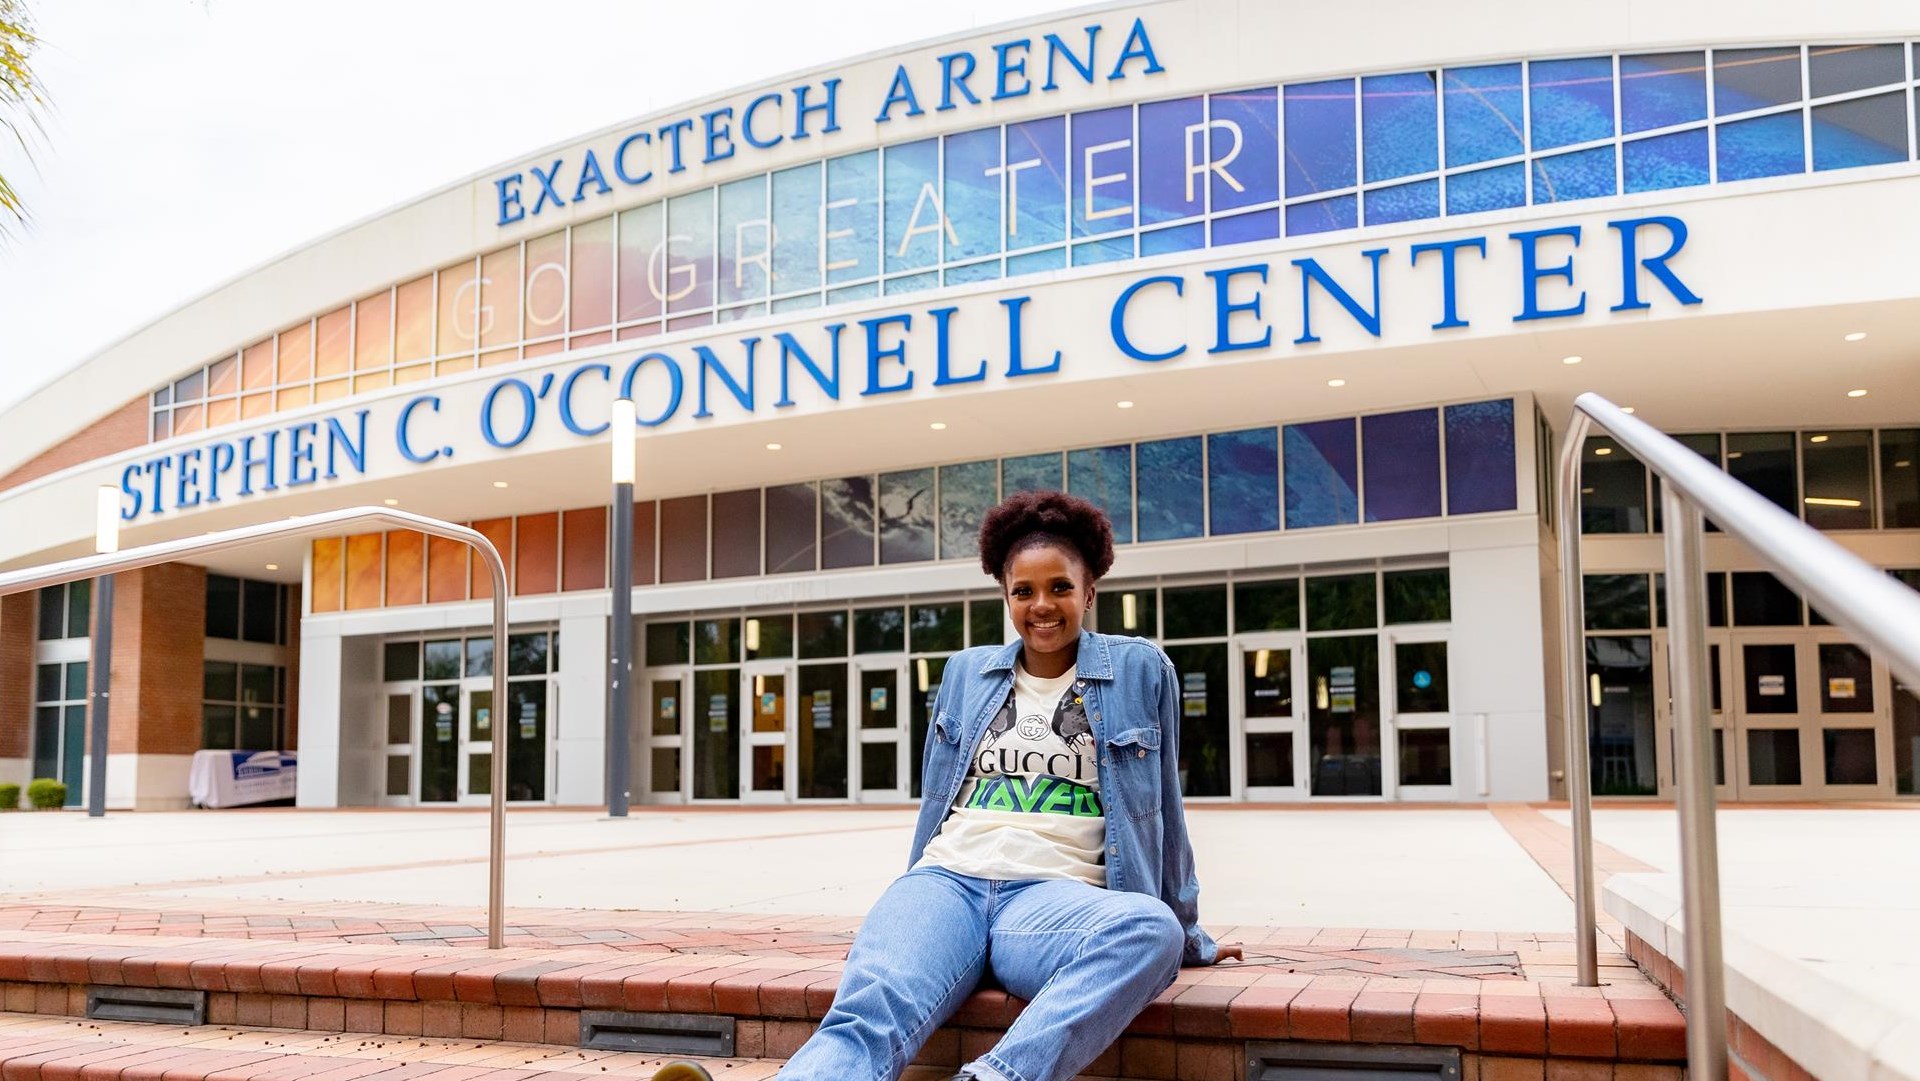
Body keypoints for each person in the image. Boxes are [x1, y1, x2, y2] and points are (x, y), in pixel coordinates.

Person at [747, 490, 1237, 1081]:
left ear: (1089, 592)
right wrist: (910, 914)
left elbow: (1164, 809)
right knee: (866, 1017)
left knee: (1150, 928)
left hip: (1051, 903)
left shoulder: (1138, 668)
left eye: (1060, 587)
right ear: (1006, 596)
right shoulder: (965, 673)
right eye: (1023, 591)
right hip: (947, 884)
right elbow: (937, 800)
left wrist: (1187, 934)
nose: (1042, 605)